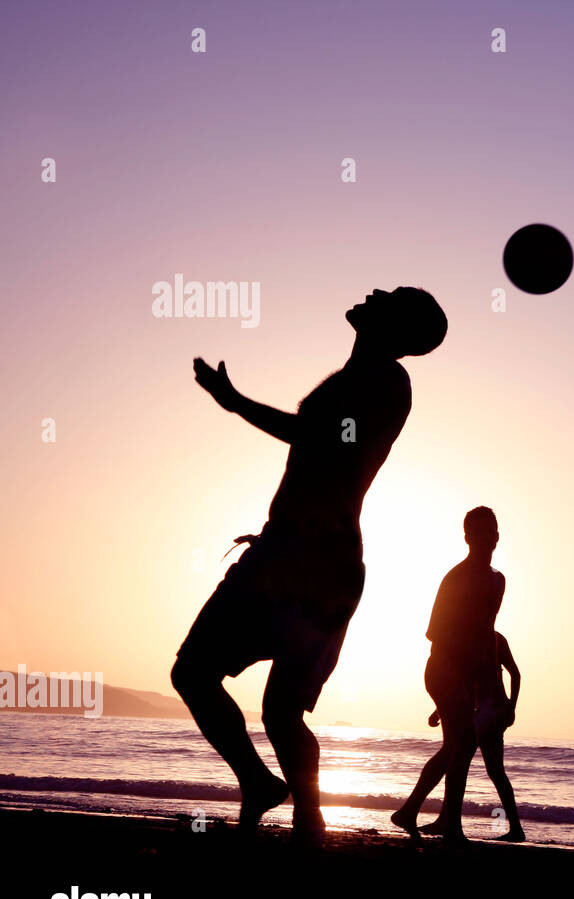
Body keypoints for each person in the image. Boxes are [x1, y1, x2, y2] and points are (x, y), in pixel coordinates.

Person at [171, 287, 447, 847]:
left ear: (394, 325)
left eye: (387, 295)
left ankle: (309, 823)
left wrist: (235, 402)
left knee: (279, 711)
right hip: (283, 554)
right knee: (194, 674)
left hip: (319, 566)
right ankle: (261, 784)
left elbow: (318, 438)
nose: (373, 291)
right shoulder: (353, 376)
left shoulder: (388, 381)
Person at [391, 506, 505, 843]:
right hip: (443, 667)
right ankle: (449, 821)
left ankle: (411, 811)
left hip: (468, 672)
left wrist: (490, 684)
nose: (488, 538)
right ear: (468, 537)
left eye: (493, 531)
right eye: (481, 532)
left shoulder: (497, 580)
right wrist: (457, 683)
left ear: (498, 536)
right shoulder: (455, 579)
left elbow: (488, 632)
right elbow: (436, 634)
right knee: (465, 742)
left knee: (455, 746)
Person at [392, 630, 525, 841]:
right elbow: (462, 682)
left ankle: (515, 829)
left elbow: (515, 674)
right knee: (458, 759)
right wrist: (439, 709)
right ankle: (444, 818)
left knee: (487, 767)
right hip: (474, 709)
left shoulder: (495, 639)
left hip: (491, 709)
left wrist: (511, 708)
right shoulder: (467, 639)